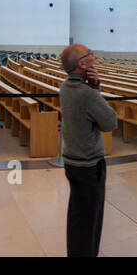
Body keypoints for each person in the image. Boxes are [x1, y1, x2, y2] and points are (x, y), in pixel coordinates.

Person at [58, 44, 117, 257]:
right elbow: (110, 122)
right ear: (82, 64)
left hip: (72, 160)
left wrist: (93, 86)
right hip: (89, 165)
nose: (94, 56)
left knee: (78, 217)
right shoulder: (86, 94)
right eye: (89, 54)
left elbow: (87, 113)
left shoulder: (65, 87)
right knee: (90, 221)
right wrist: (95, 87)